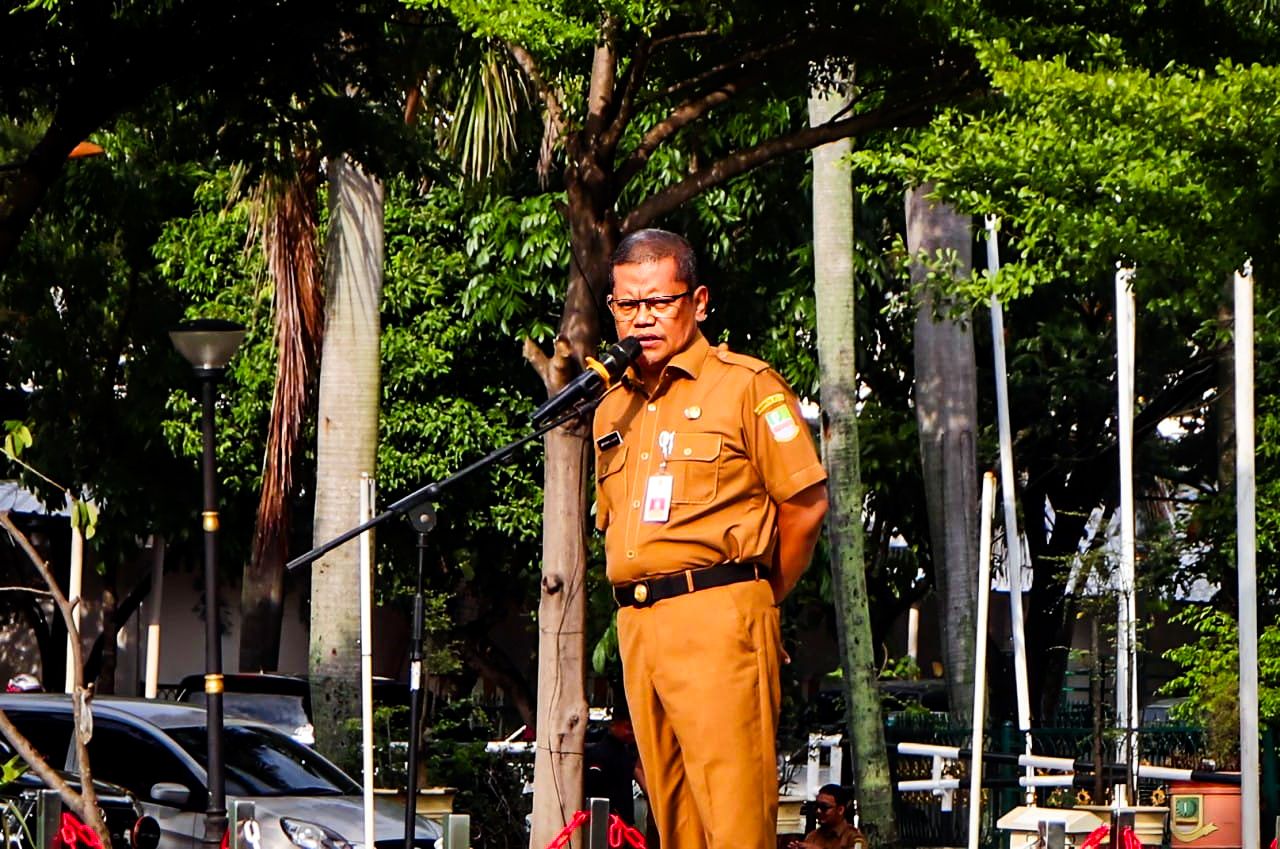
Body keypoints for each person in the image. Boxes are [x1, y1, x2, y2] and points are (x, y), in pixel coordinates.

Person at [591, 228, 829, 849]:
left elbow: (805, 507)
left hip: (719, 614)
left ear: (697, 302)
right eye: (627, 304)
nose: (642, 318)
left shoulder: (745, 385)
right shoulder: (611, 405)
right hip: (639, 625)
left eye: (659, 302)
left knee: (733, 821)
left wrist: (758, 598)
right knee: (675, 821)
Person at [583, 704, 646, 826]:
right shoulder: (599, 753)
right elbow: (591, 789)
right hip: (604, 823)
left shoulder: (627, 753)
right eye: (628, 728)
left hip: (624, 823)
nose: (633, 733)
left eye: (636, 729)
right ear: (613, 725)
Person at [788, 785, 864, 849]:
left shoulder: (853, 838)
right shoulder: (813, 836)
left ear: (840, 810)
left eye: (824, 807)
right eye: (816, 806)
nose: (818, 811)